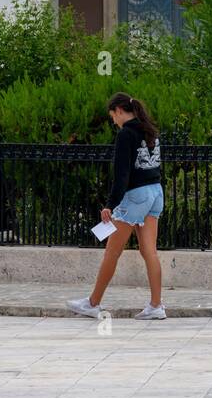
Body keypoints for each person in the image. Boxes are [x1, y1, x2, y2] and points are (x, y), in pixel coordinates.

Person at [67, 93, 166, 321]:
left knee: (112, 251)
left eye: (113, 116)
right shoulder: (150, 130)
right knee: (149, 251)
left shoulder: (126, 134)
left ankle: (93, 304)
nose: (114, 121)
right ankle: (156, 305)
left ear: (120, 111)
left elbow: (122, 175)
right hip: (156, 191)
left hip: (136, 195)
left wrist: (110, 205)